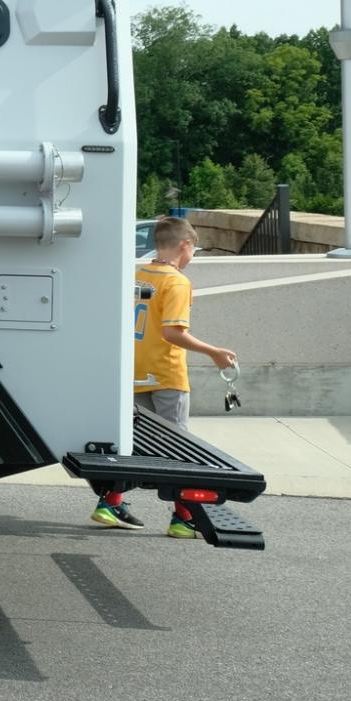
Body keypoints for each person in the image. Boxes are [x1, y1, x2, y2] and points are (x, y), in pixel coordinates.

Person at [95, 214, 239, 537]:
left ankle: (111, 502)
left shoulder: (139, 273)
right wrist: (214, 352)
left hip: (135, 371)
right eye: (193, 251)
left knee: (136, 445)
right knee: (179, 448)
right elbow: (173, 332)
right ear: (185, 245)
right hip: (166, 374)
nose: (191, 258)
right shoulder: (176, 282)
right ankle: (183, 518)